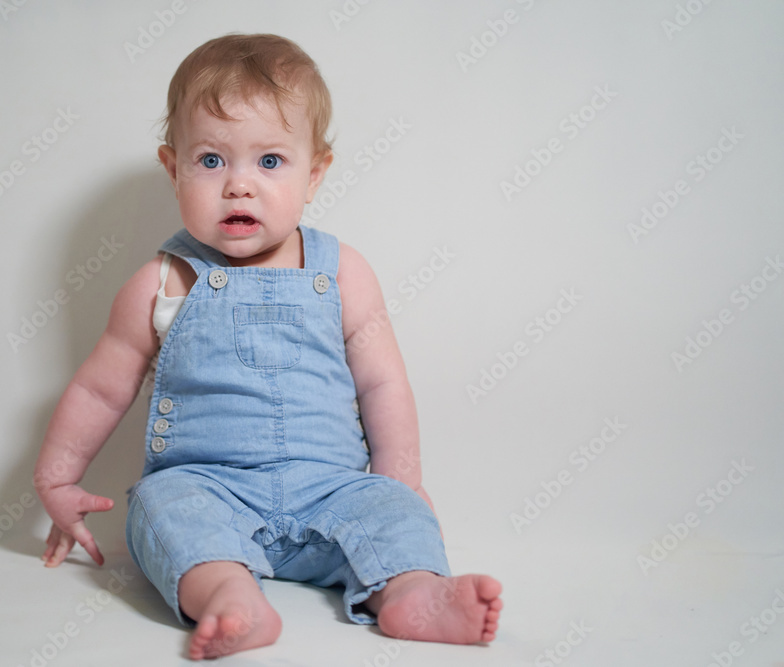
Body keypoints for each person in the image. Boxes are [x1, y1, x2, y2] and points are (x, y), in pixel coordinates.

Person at [33, 33, 503, 660]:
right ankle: (229, 595)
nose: (239, 185)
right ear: (173, 169)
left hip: (332, 489)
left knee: (395, 511)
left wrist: (401, 482)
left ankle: (414, 594)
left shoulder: (344, 273)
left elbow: (382, 383)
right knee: (160, 507)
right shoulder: (162, 283)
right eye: (210, 160)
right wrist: (58, 478)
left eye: (271, 161)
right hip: (210, 489)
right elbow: (99, 389)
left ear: (315, 174)